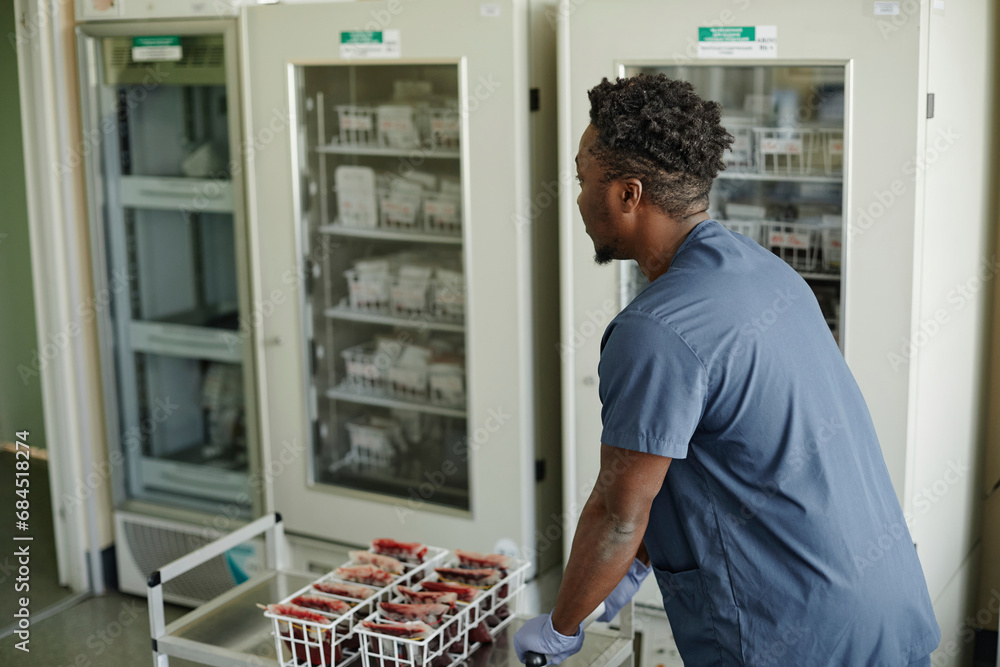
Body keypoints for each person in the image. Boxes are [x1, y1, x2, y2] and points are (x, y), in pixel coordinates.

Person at [513, 74, 940, 666]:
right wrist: (635, 562)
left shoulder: (655, 330)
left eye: (583, 181)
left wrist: (561, 627)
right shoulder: (764, 272)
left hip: (795, 634)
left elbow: (618, 512)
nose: (579, 198)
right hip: (880, 607)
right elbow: (730, 444)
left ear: (629, 194)